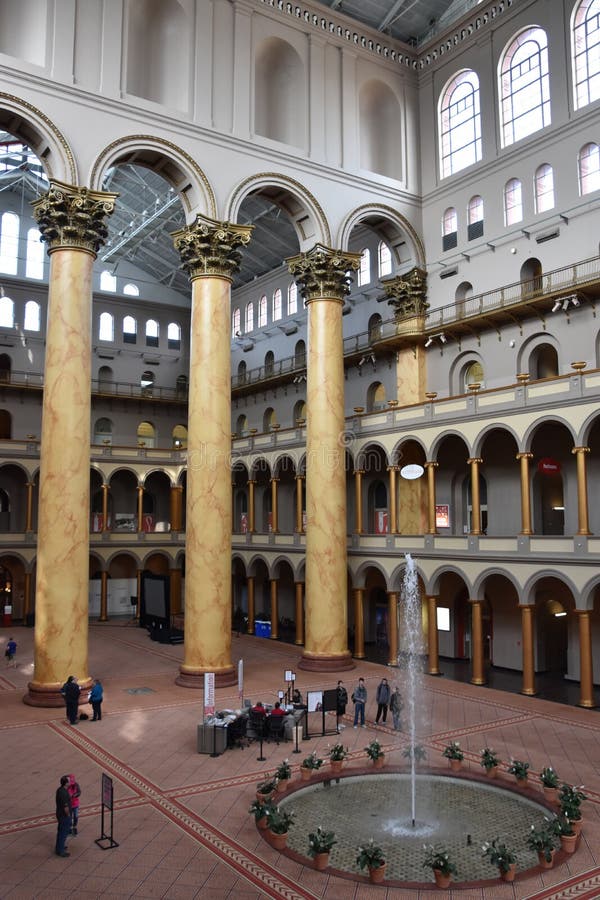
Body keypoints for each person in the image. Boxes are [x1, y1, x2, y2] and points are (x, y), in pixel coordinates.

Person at [55, 775, 72, 857]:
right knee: (63, 833)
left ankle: (59, 847)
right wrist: (68, 815)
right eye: (69, 781)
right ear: (66, 783)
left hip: (59, 814)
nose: (70, 782)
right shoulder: (64, 794)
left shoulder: (60, 790)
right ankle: (60, 850)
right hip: (64, 816)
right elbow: (66, 807)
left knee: (60, 831)